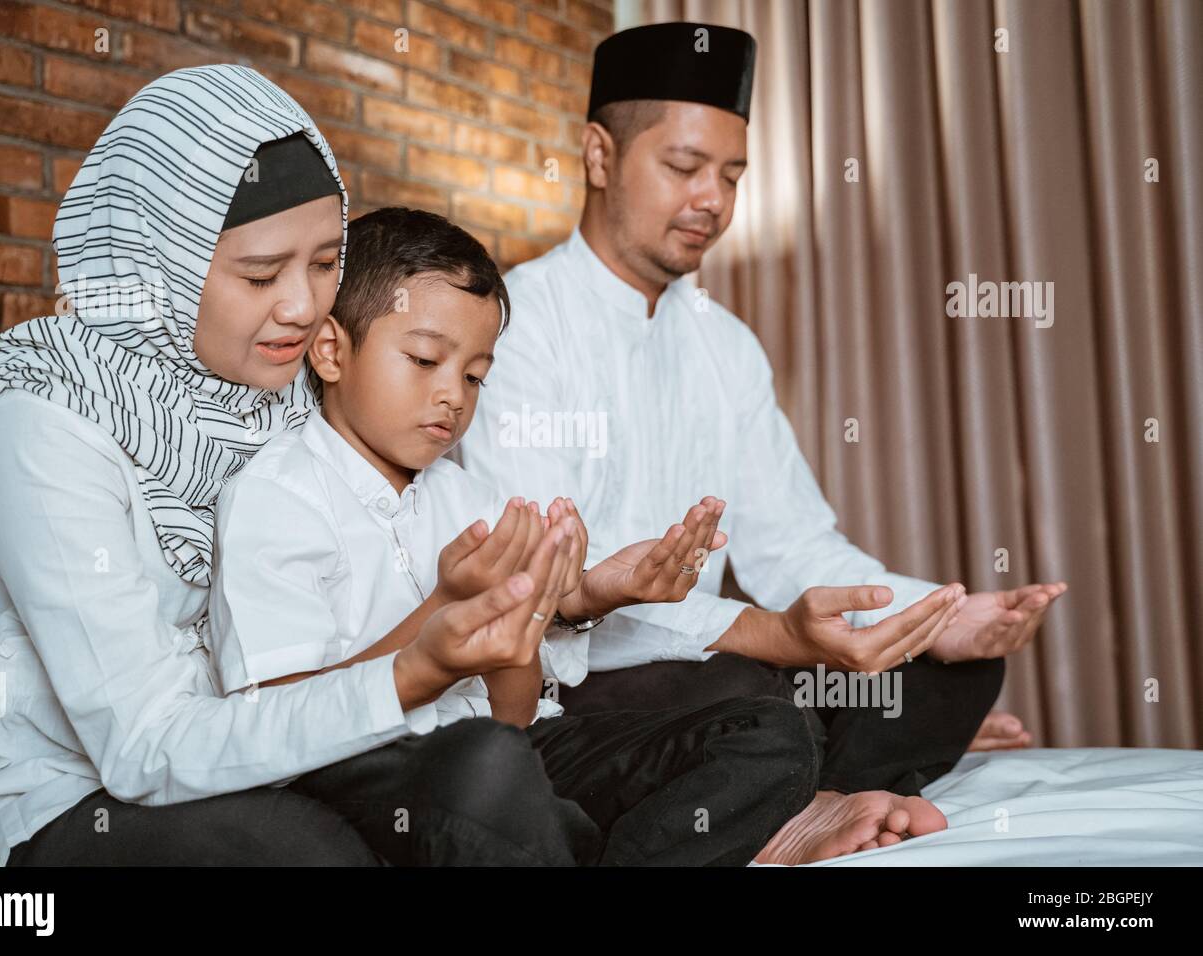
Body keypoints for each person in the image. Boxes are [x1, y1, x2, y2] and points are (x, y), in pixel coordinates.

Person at [0, 65, 615, 867]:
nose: (304, 307)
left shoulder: (280, 390)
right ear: (156, 261)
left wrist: (554, 596)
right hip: (51, 800)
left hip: (248, 758)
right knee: (304, 851)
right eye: (259, 274)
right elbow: (144, 746)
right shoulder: (41, 429)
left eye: (322, 264)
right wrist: (410, 669)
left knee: (476, 786)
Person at [454, 22, 1068, 862]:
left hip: (736, 667)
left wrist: (939, 616)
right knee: (753, 694)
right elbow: (554, 597)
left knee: (946, 674)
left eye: (731, 176)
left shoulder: (728, 345)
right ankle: (802, 787)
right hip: (602, 678)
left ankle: (792, 790)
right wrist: (772, 634)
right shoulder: (518, 327)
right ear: (599, 156)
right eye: (683, 167)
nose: (712, 198)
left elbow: (795, 545)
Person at [208, 205, 834, 865]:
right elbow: (271, 723)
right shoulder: (279, 494)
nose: (454, 395)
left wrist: (542, 606)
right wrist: (445, 615)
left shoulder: (469, 501)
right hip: (375, 769)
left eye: (475, 376)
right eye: (425, 360)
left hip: (508, 752)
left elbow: (514, 713)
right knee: (485, 765)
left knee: (769, 734)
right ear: (332, 350)